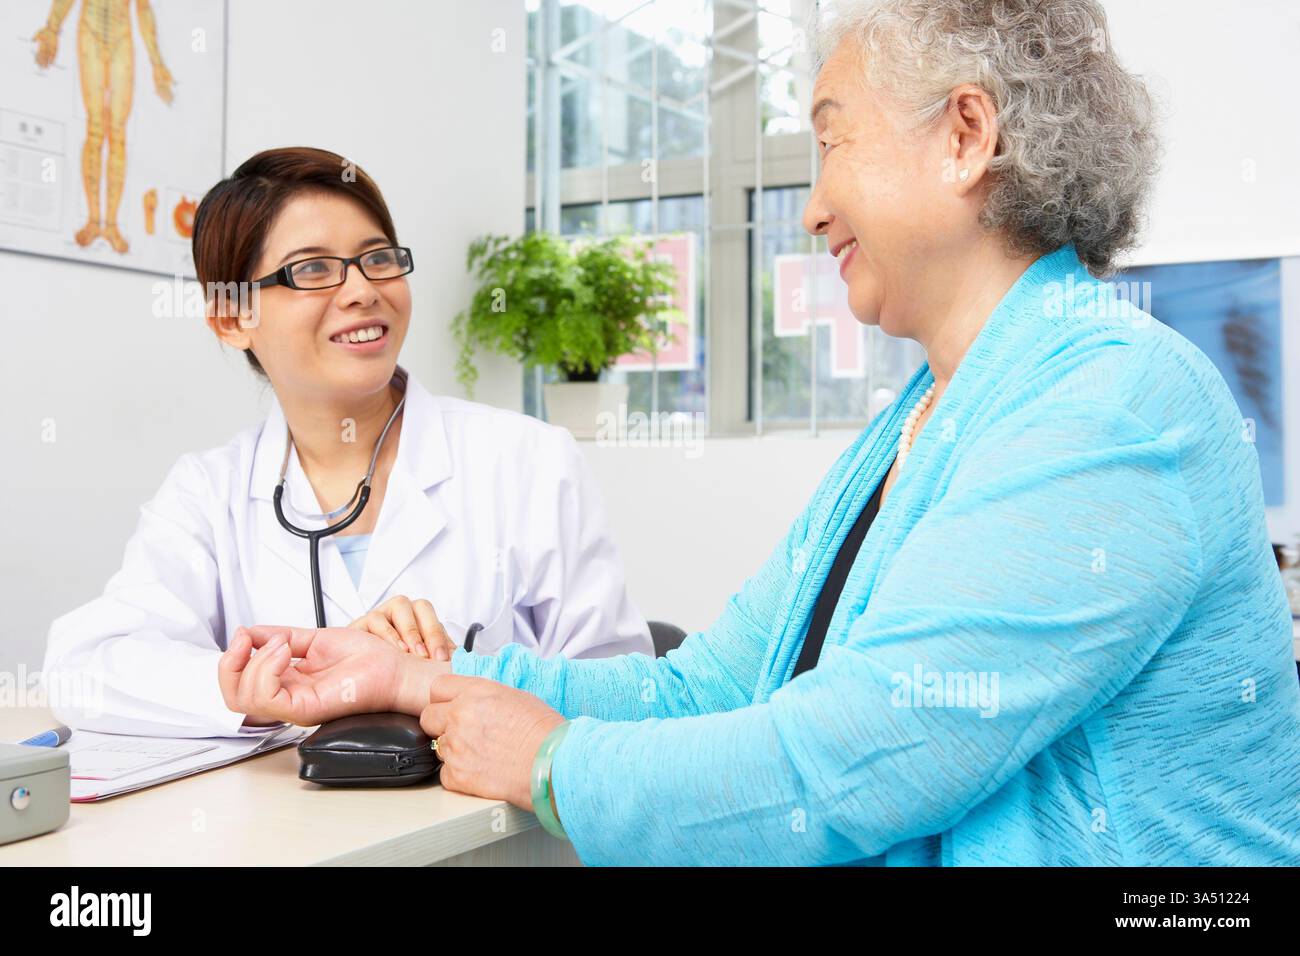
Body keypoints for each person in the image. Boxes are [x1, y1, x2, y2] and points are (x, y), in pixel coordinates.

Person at [219, 1, 1300, 865]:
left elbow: (846, 765)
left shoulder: (1109, 402)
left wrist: (553, 762)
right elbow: (713, 688)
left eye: (831, 145)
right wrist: (422, 679)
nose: (812, 207)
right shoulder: (916, 422)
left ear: (966, 136)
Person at [43, 147, 651, 738]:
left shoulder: (527, 461)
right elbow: (83, 669)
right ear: (232, 318)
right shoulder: (209, 492)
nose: (362, 290)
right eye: (312, 269)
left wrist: (431, 677)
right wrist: (258, 685)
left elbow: (624, 692)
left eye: (378, 258)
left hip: (495, 830)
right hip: (292, 834)